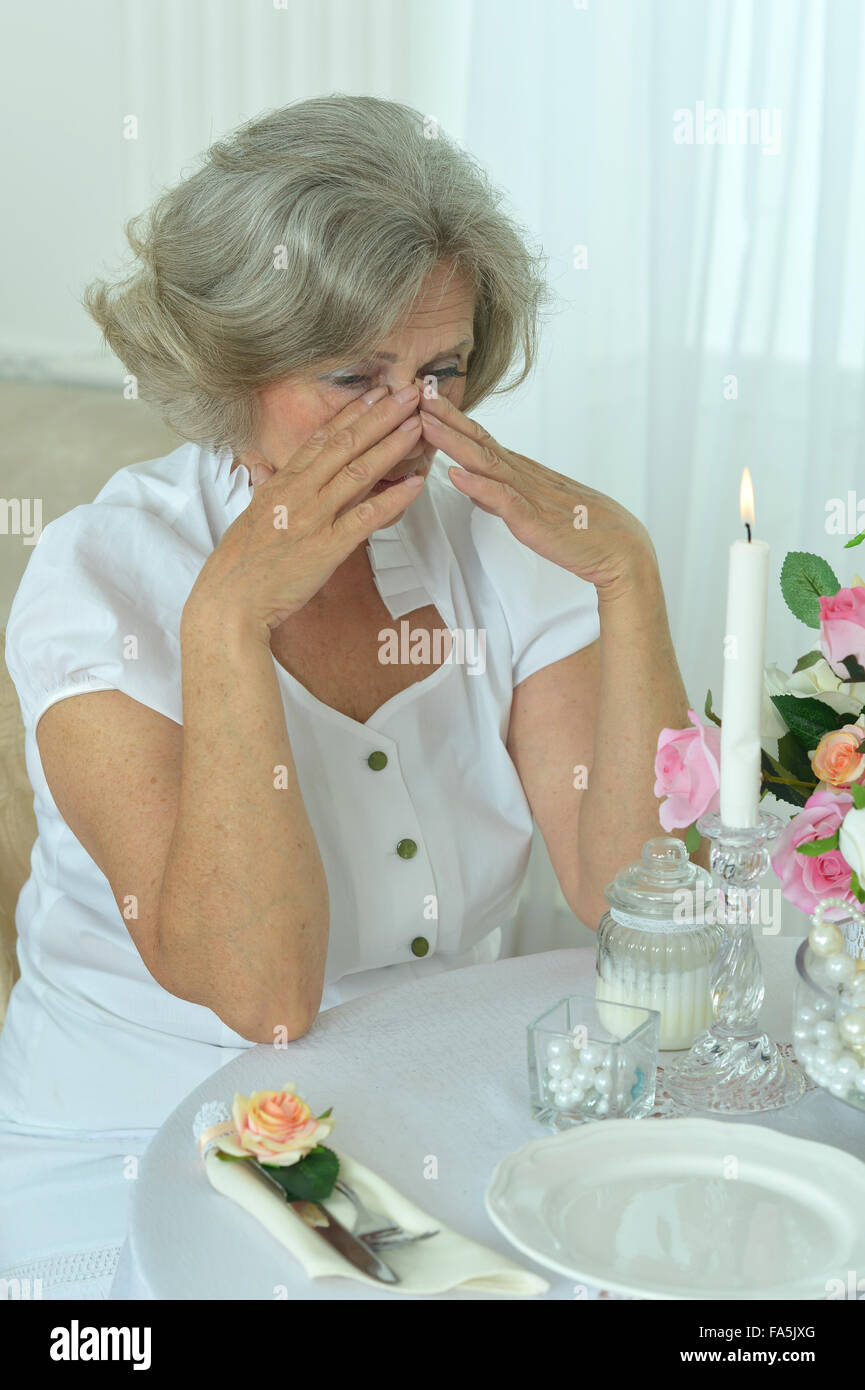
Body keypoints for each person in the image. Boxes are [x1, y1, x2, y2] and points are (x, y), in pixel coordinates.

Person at [0, 94, 695, 1298]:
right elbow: (261, 994)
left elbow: (626, 891)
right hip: (123, 1145)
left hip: (419, 1131)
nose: (411, 424)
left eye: (440, 372)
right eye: (351, 375)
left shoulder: (502, 544)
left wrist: (624, 568)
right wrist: (228, 620)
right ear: (234, 364)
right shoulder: (100, 574)